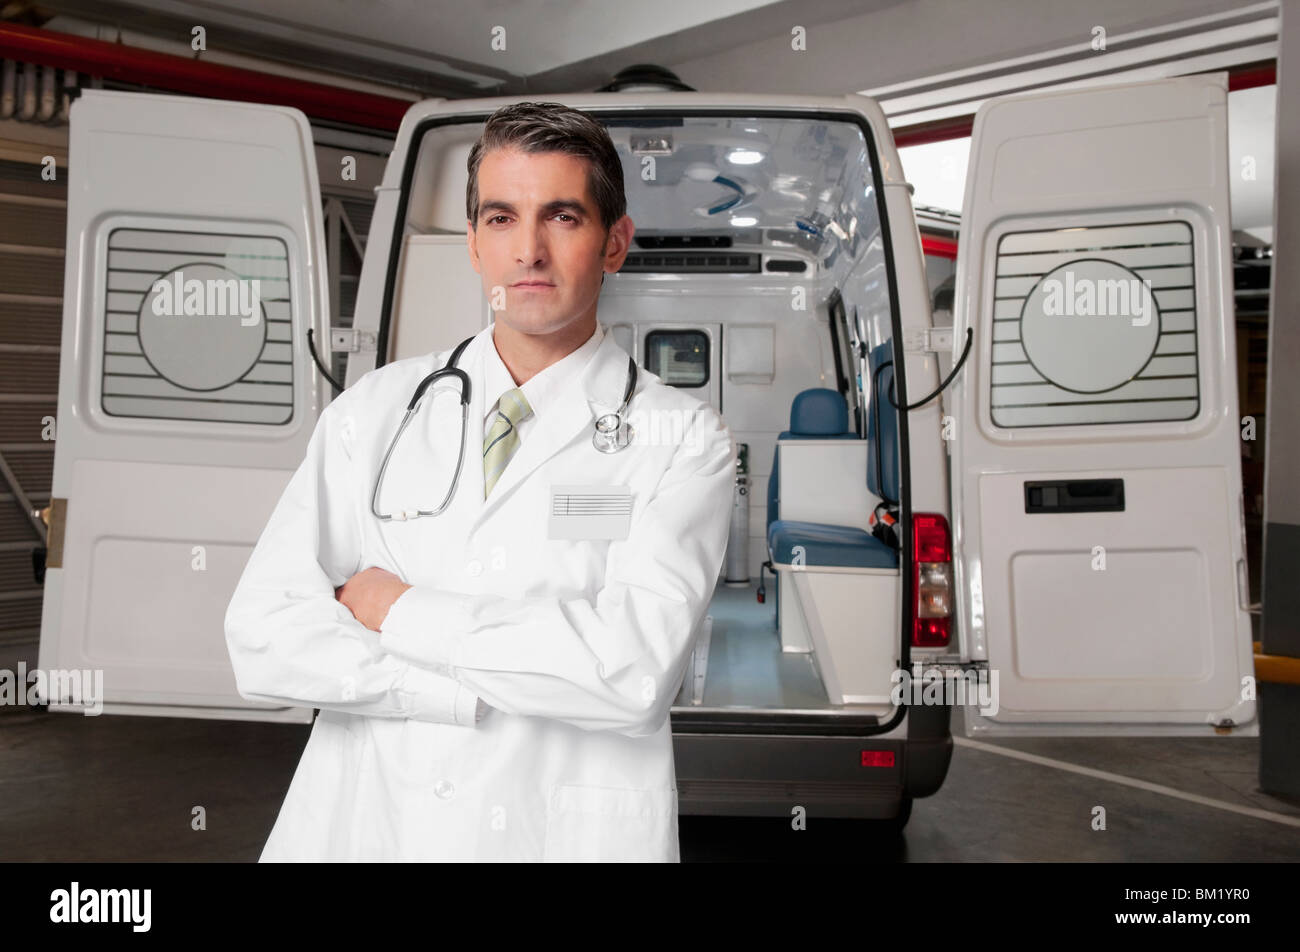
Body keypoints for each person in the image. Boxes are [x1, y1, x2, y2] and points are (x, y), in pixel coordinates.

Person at [223, 101, 737, 861]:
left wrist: (395, 609)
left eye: (562, 217)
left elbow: (628, 672)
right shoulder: (376, 412)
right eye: (501, 218)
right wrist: (456, 693)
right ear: (471, 243)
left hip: (554, 835)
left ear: (615, 243)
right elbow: (264, 638)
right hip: (369, 826)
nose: (527, 251)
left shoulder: (682, 441)